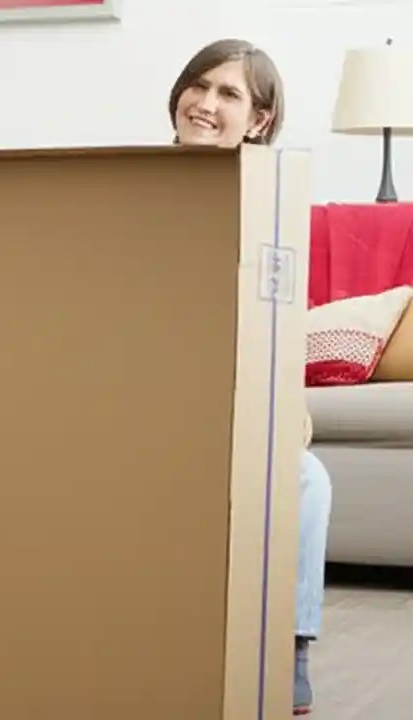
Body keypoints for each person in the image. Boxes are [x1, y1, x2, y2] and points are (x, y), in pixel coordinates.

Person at [169, 39, 332, 716]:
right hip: (145, 399)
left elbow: (279, 325)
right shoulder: (131, 181)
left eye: (229, 95)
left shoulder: (271, 206)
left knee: (306, 477)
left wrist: (285, 408)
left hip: (227, 407)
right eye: (198, 87)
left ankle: (289, 644)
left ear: (260, 119)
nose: (205, 105)